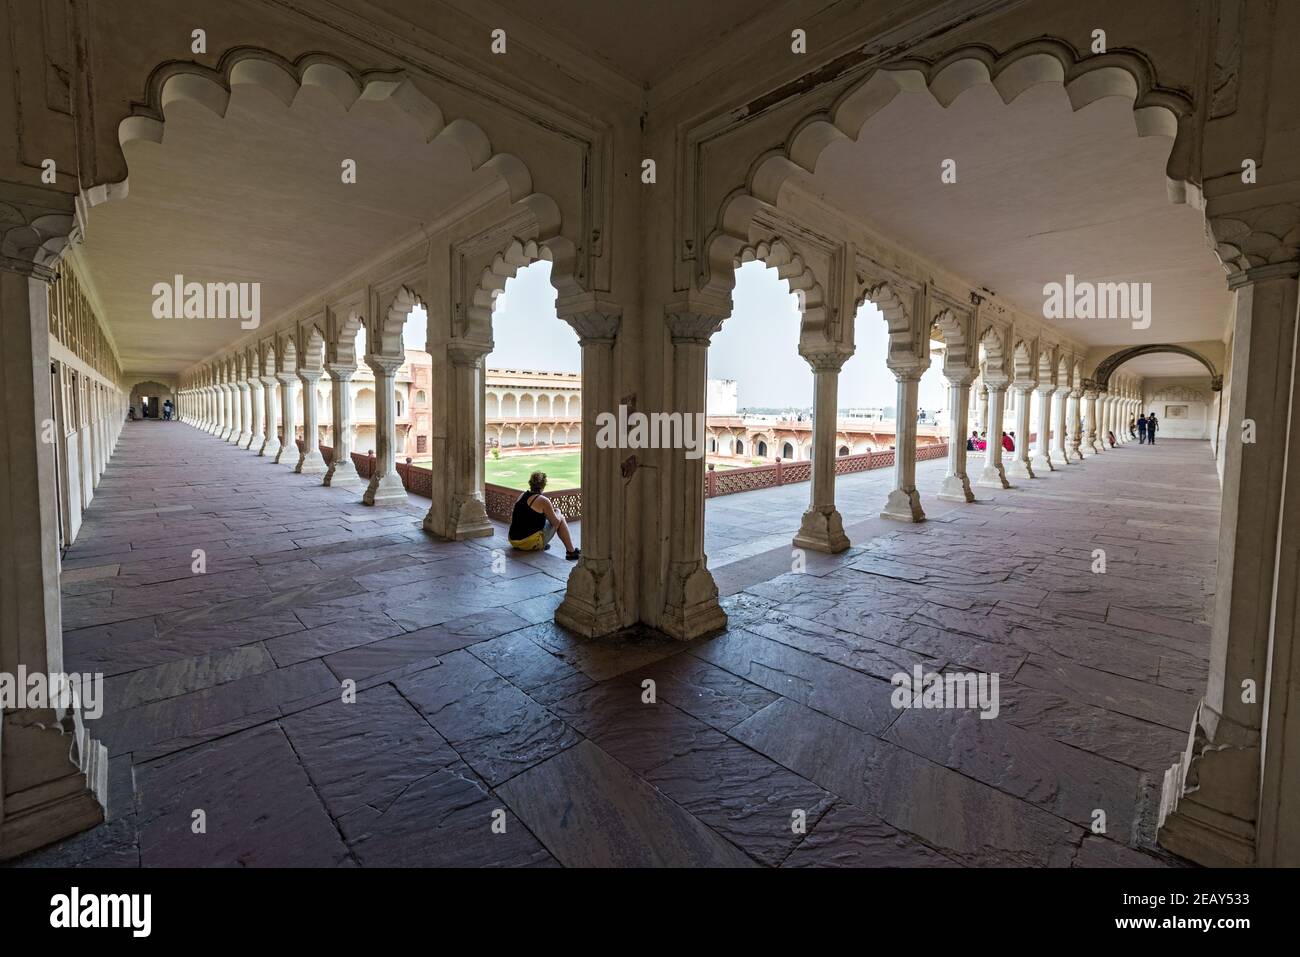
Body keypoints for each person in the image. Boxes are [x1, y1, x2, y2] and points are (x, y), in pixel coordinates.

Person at [507, 471, 580, 560]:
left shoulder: (522, 495)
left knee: (543, 518)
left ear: (530, 483)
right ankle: (571, 552)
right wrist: (558, 511)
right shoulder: (543, 500)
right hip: (527, 543)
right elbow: (556, 522)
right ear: (544, 485)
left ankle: (537, 543)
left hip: (513, 541)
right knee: (560, 518)